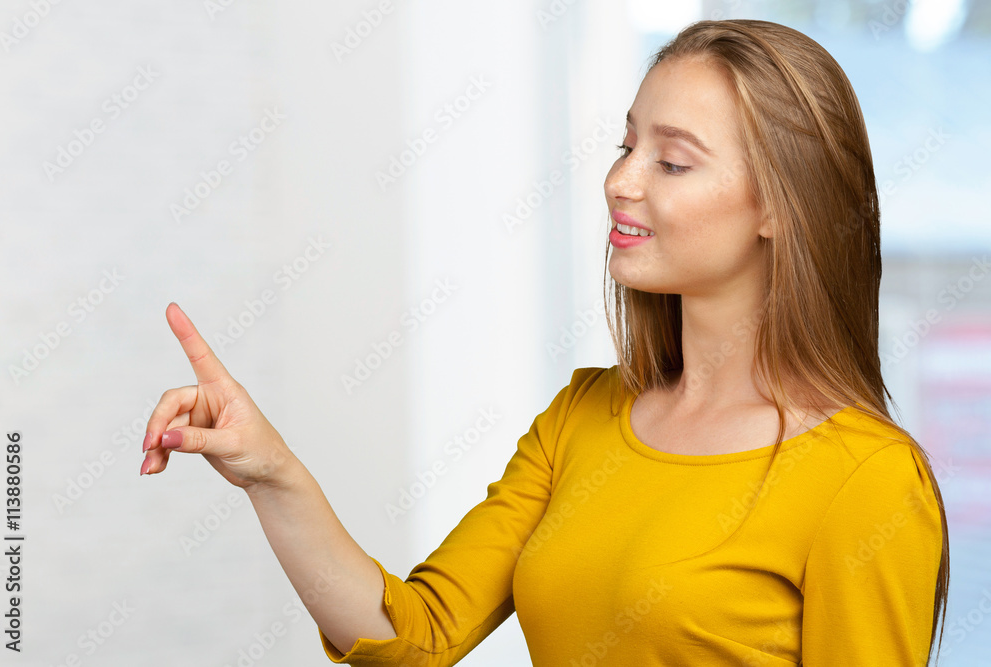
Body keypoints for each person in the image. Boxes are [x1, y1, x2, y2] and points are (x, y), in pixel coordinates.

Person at [140, 18, 949, 666]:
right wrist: (269, 469)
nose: (621, 180)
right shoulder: (583, 417)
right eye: (627, 144)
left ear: (780, 207)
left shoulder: (867, 481)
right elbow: (415, 634)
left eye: (672, 161)